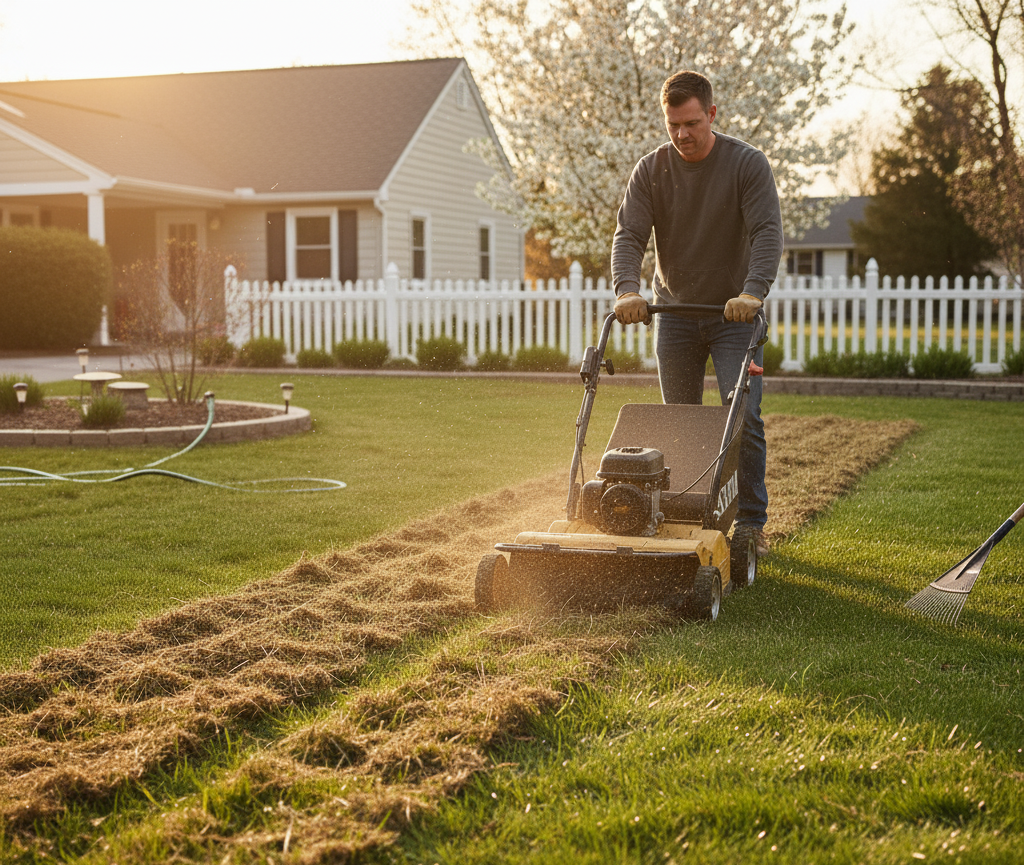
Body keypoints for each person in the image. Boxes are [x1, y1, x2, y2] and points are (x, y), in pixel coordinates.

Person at [610, 70, 783, 555]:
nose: (682, 134)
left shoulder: (747, 164)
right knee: (681, 422)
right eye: (673, 125)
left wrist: (753, 291)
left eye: (691, 123)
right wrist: (627, 290)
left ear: (711, 113)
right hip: (677, 314)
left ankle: (750, 522)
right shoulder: (651, 170)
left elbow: (767, 232)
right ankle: (683, 515)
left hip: (735, 319)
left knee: (742, 415)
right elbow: (629, 235)